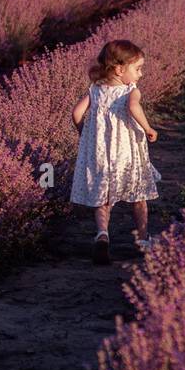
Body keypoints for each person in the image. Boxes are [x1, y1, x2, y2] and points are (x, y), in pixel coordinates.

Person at [70, 40, 161, 264]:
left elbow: (76, 114)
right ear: (120, 70)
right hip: (127, 155)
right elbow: (133, 108)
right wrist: (148, 128)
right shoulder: (130, 91)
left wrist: (86, 134)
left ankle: (102, 234)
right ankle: (143, 238)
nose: (141, 74)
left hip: (100, 154)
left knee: (104, 197)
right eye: (138, 68)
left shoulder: (95, 90)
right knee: (138, 196)